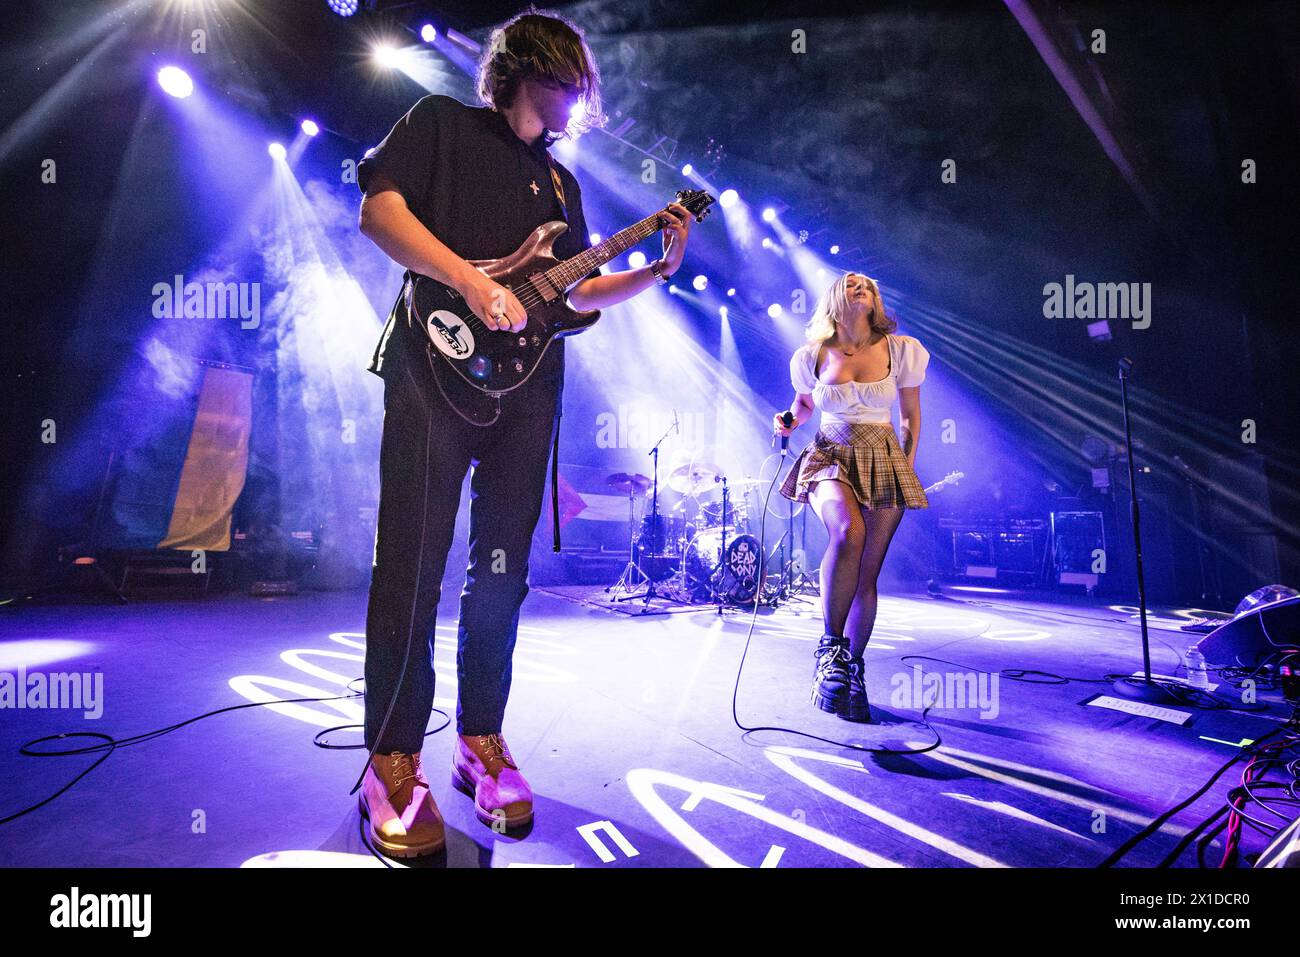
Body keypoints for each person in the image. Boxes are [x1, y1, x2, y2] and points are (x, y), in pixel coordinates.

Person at [355, 10, 692, 857]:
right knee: (412, 560)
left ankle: (480, 740)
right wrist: (470, 281)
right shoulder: (440, 124)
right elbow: (379, 213)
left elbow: (572, 297)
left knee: (502, 571)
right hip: (433, 366)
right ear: (525, 69)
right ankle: (391, 760)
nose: (580, 97)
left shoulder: (562, 188)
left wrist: (653, 271)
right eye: (568, 78)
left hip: (527, 390)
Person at [773, 272, 930, 722]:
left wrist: (906, 466)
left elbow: (911, 416)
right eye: (851, 283)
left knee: (867, 573)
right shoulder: (811, 355)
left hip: (883, 453)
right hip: (830, 451)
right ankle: (831, 649)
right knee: (847, 532)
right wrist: (788, 420)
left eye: (869, 285)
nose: (861, 285)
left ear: (876, 300)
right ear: (834, 299)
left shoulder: (902, 350)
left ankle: (853, 669)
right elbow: (804, 405)